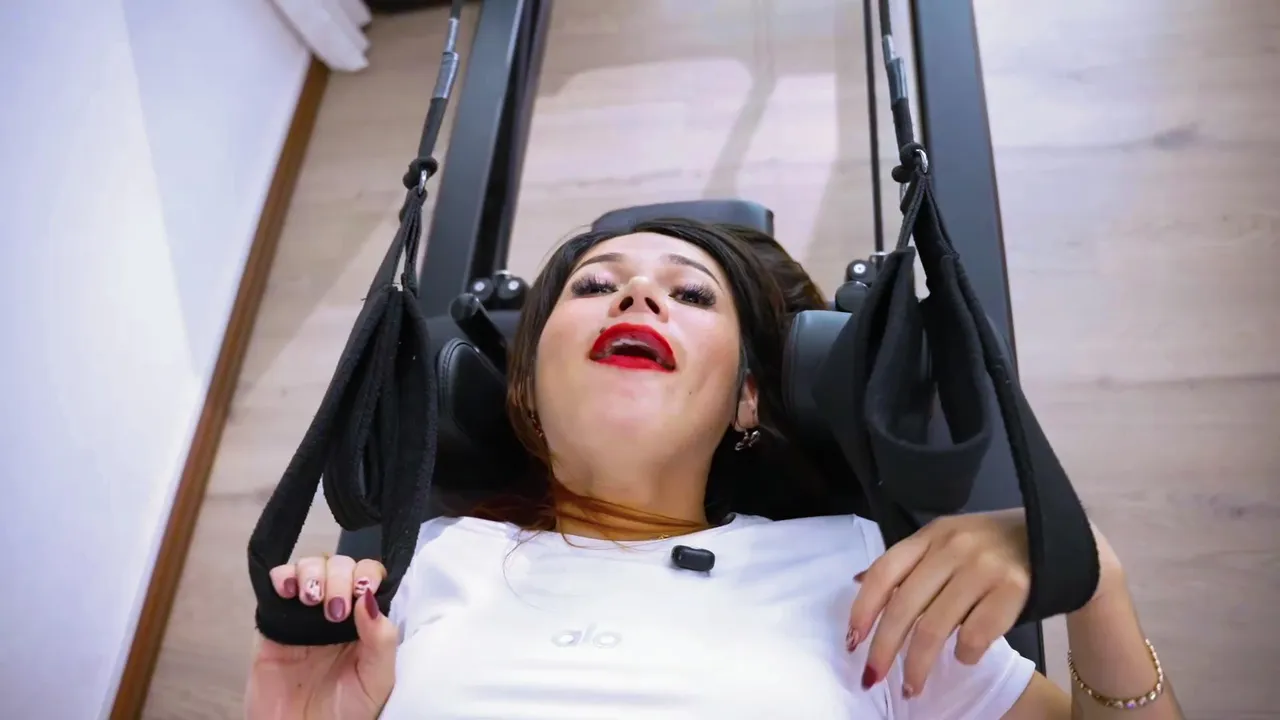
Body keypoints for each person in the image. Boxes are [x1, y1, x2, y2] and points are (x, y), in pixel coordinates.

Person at [246, 219, 1182, 719]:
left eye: (691, 294)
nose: (637, 292)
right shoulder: (415, 574)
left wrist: (1090, 576)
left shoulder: (862, 575)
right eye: (596, 285)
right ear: (523, 388)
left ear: (748, 401)